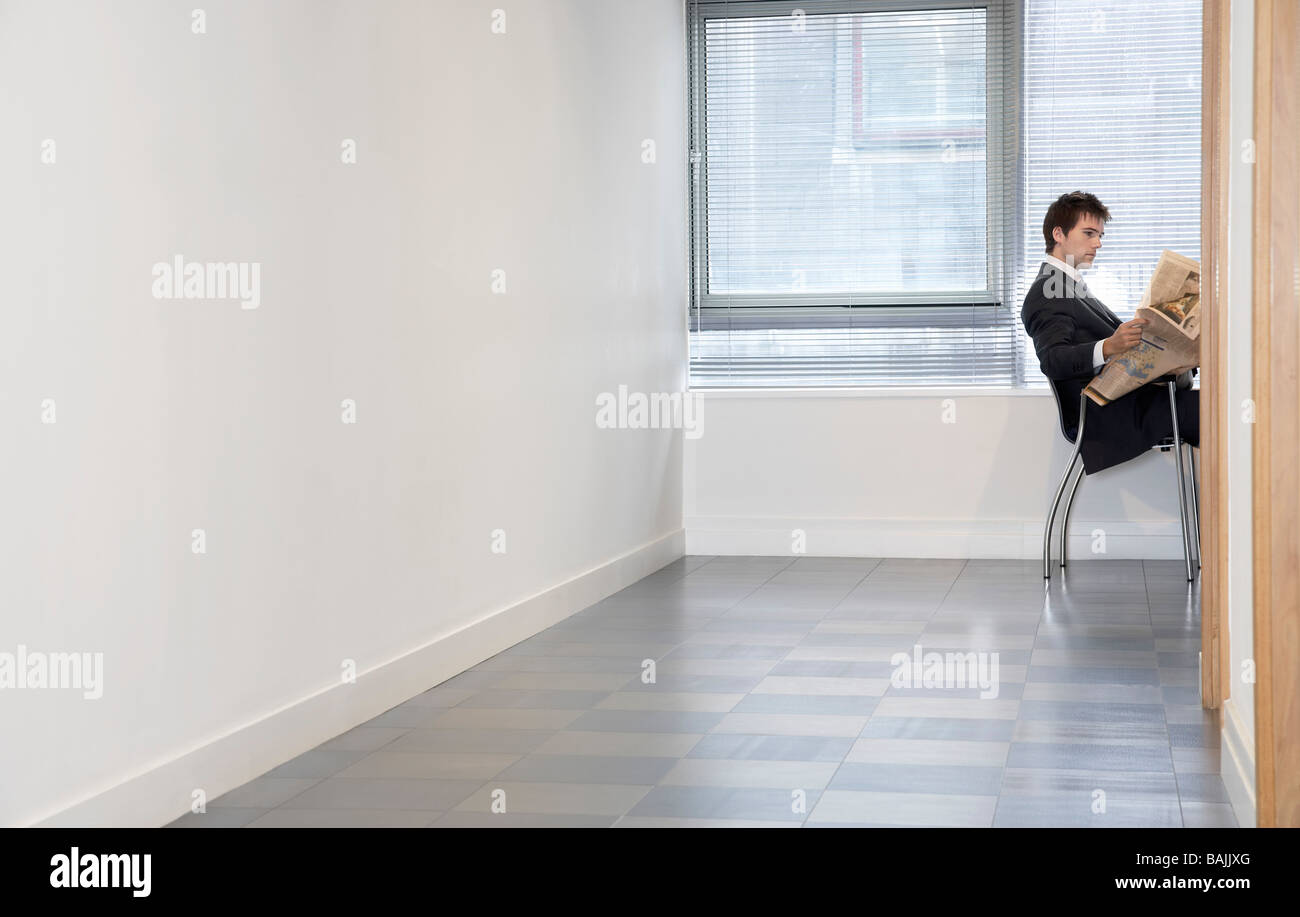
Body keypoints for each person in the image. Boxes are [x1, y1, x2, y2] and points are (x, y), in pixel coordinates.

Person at [1021, 191, 1199, 474]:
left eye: (1100, 235)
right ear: (1059, 234)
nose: (1098, 243)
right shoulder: (1047, 292)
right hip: (1104, 414)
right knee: (1216, 413)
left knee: (1214, 406)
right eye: (1089, 233)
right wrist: (1108, 346)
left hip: (1129, 401)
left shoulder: (1069, 285)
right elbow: (1053, 360)